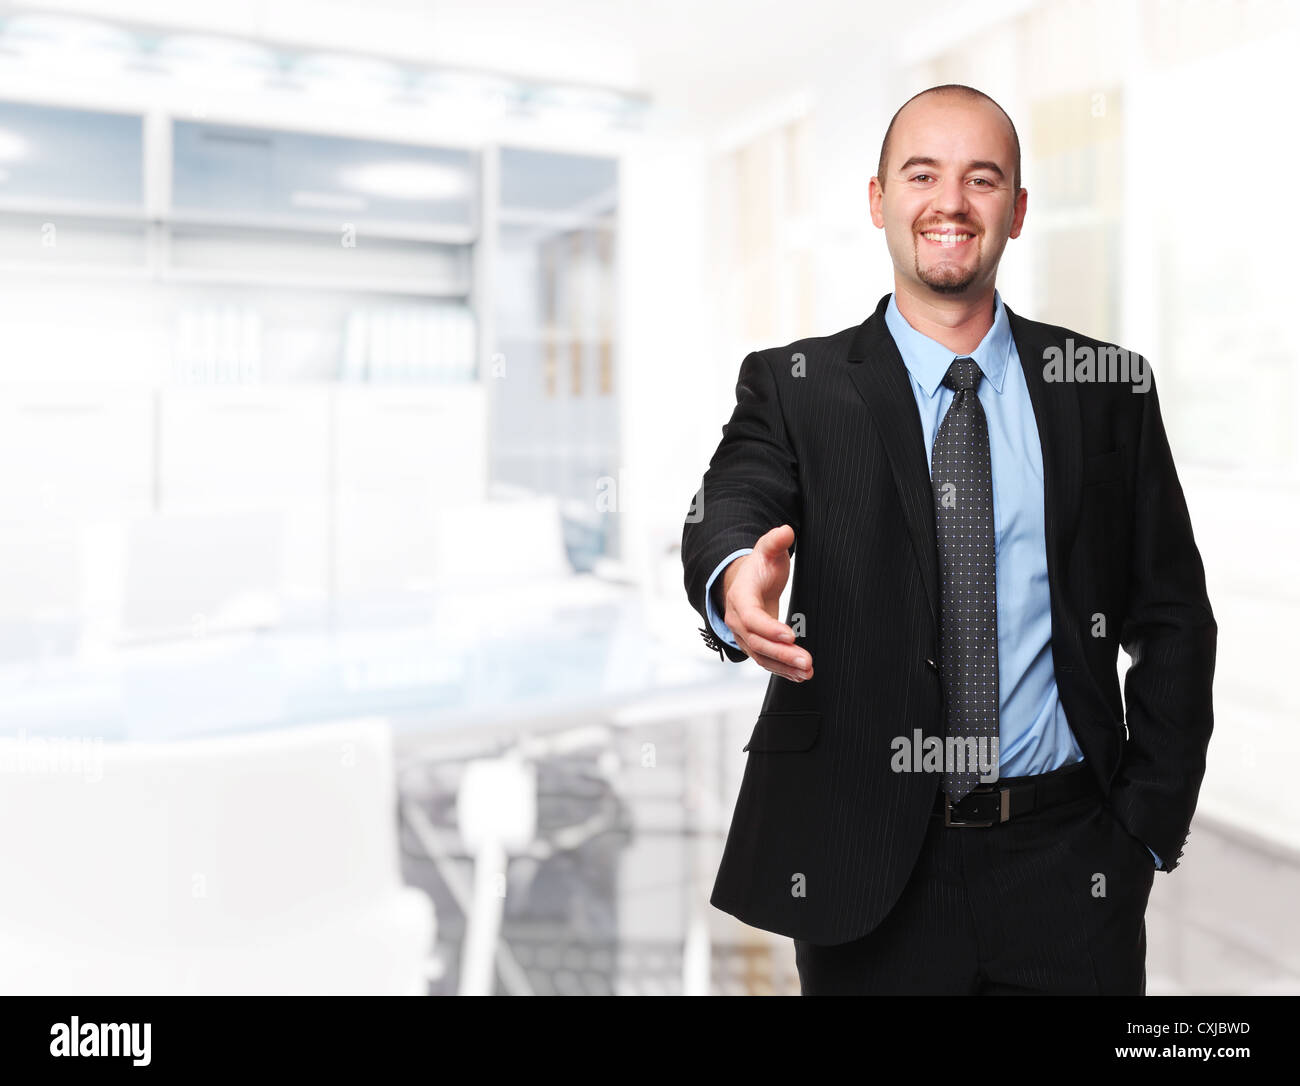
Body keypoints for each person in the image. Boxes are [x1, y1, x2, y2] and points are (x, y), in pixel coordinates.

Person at [681, 84, 1216, 995]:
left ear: (1017, 210)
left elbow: (1173, 618)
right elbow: (733, 498)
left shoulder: (1104, 386)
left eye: (982, 178)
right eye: (922, 174)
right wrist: (737, 576)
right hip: (866, 872)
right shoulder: (796, 385)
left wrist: (1144, 831)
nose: (951, 202)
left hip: (1070, 867)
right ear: (879, 199)